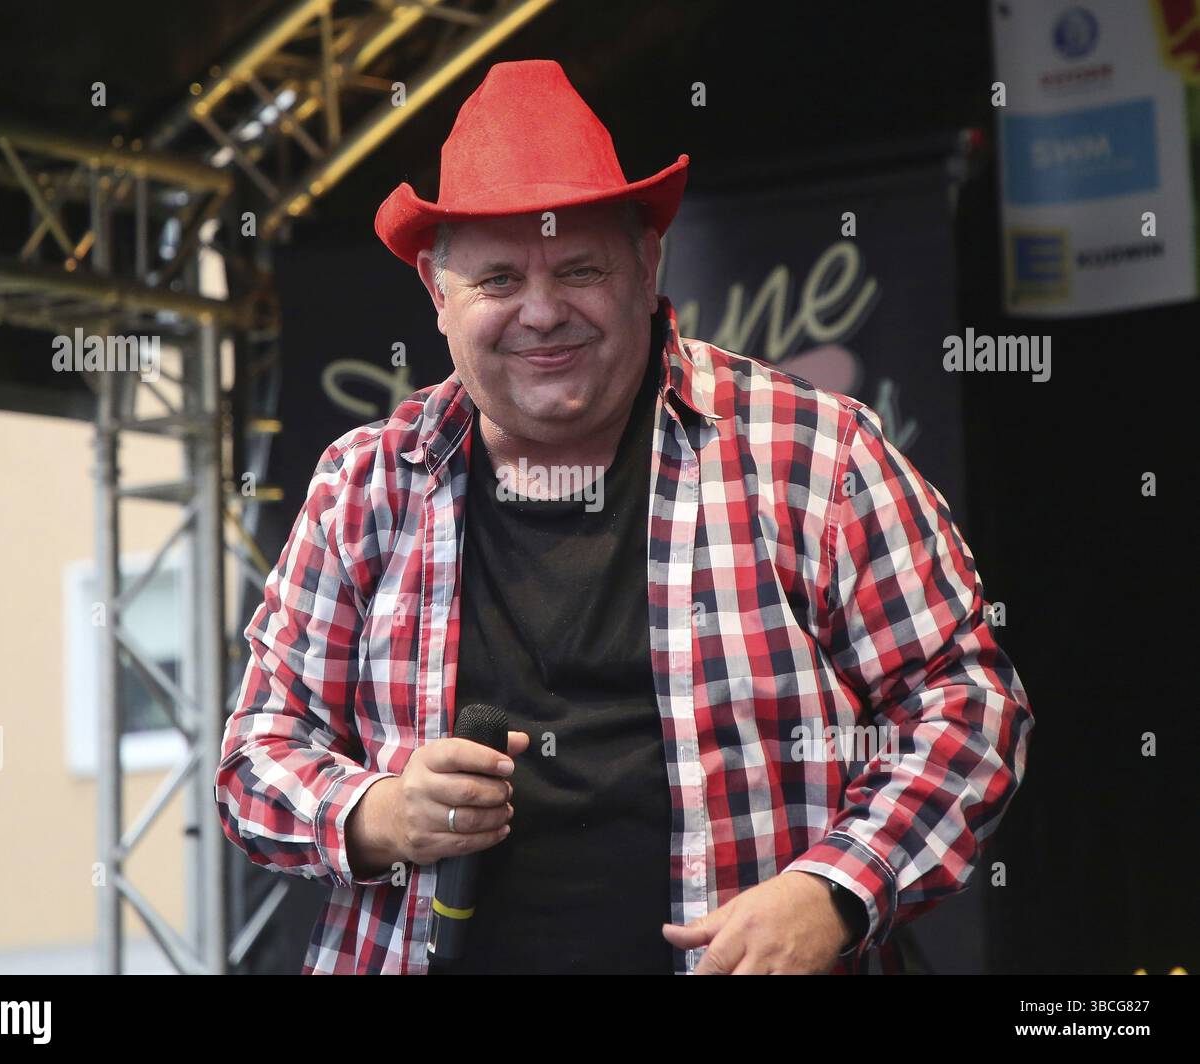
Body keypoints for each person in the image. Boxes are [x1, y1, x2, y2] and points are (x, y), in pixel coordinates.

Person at [215, 59, 1033, 975]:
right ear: (435, 293)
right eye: (495, 280)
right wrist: (377, 814)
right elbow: (256, 759)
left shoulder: (813, 455)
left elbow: (968, 708)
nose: (542, 312)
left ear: (647, 266)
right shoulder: (362, 487)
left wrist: (836, 890)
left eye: (578, 267)